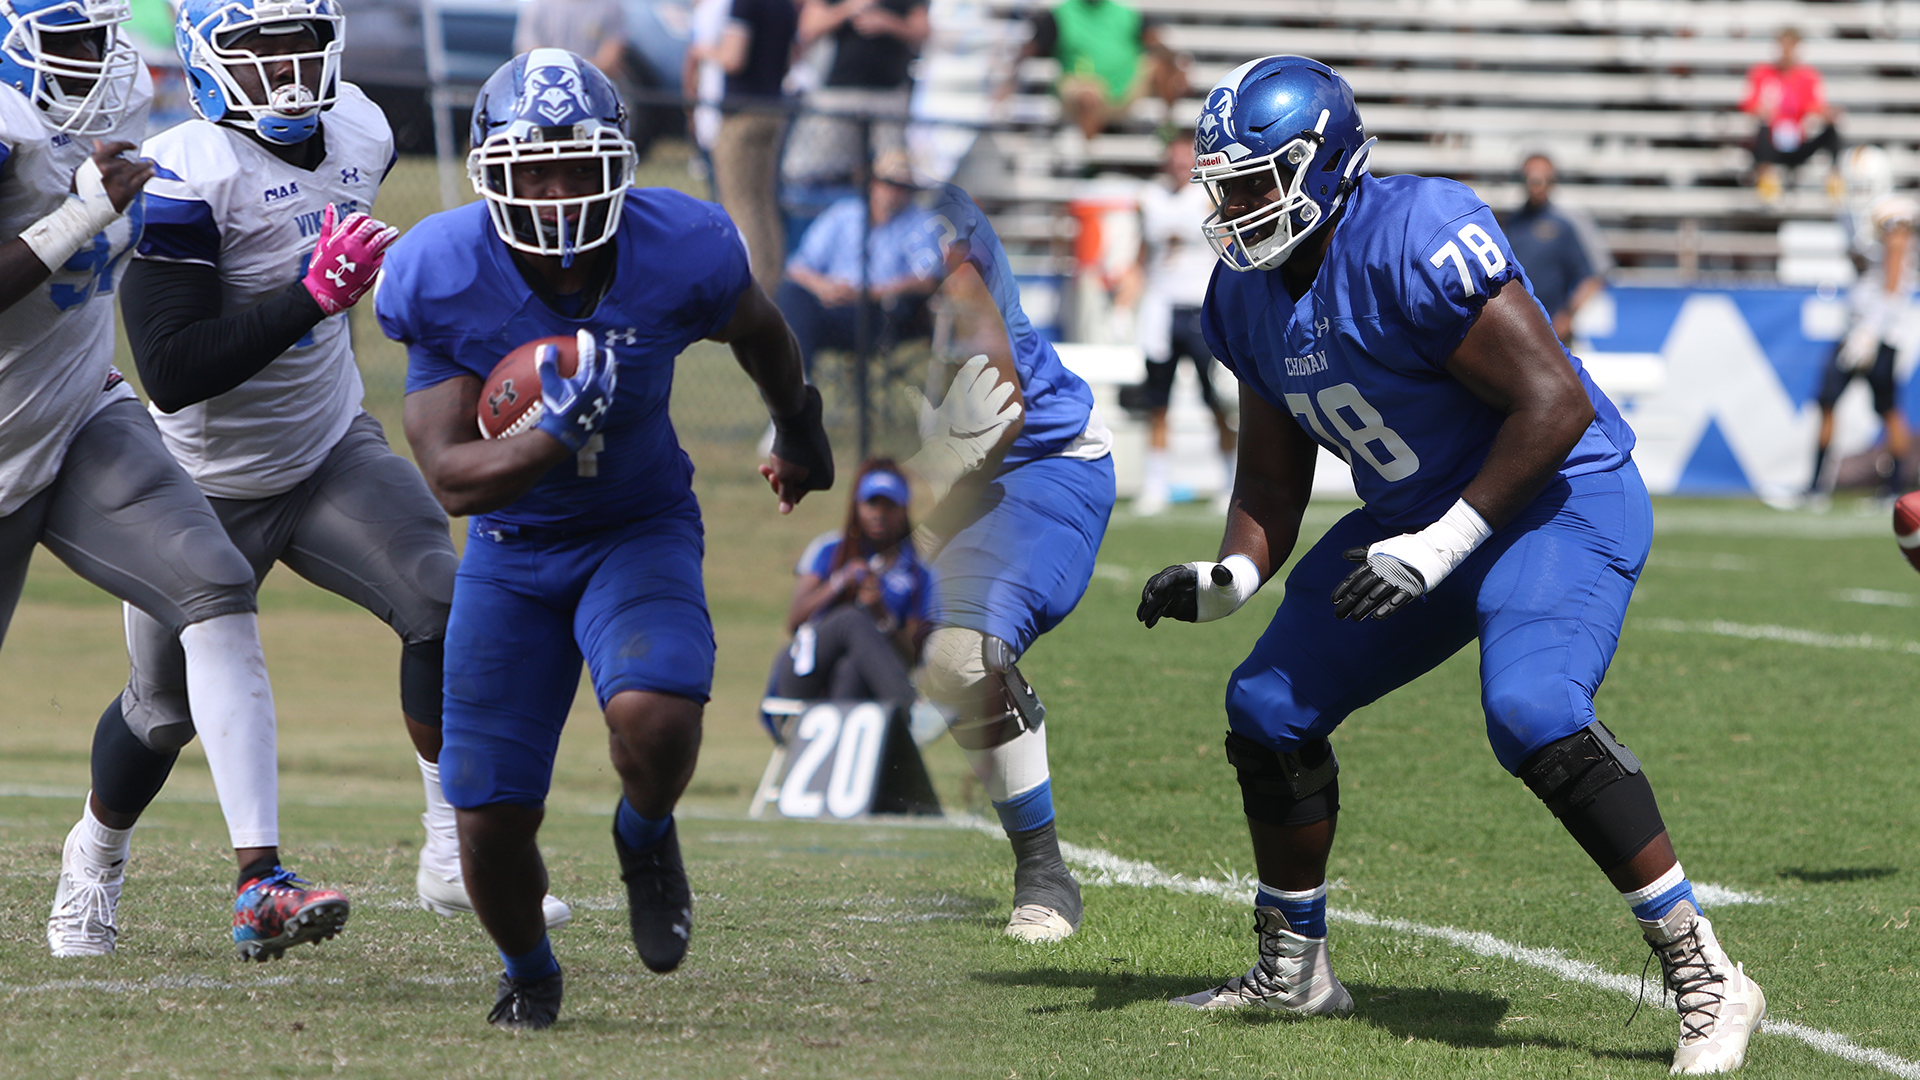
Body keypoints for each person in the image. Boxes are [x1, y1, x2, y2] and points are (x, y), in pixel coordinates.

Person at [1135, 57, 1763, 1074]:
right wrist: (1228, 581)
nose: (1239, 207)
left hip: (1560, 497)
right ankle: (1295, 968)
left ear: (1325, 163)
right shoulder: (1241, 298)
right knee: (1265, 705)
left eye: (1259, 182)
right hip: (1420, 519)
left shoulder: (1415, 234)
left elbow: (1552, 404)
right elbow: (1272, 477)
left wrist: (1439, 545)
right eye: (1228, 186)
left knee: (1532, 710)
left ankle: (1707, 973)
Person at [46, 0, 571, 964]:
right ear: (208, 61)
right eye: (259, 48)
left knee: (442, 604)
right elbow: (172, 365)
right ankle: (97, 855)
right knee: (161, 716)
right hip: (198, 479)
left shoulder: (363, 127)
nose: (286, 69)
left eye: (299, 44)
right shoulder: (188, 167)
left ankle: (456, 849)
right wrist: (311, 296)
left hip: (327, 447)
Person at [377, 49, 832, 1029]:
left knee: (660, 719)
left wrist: (800, 424)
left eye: (576, 167)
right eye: (531, 170)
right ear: (487, 173)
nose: (554, 193)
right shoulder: (442, 269)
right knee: (489, 820)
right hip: (511, 548)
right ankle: (532, 972)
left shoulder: (683, 244)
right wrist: (556, 433)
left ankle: (645, 831)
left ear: (618, 165)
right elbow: (452, 479)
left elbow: (758, 327)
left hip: (637, 528)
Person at [0, 0, 347, 961]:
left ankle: (258, 881)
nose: (90, 60)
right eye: (65, 41)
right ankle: (92, 866)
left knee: (217, 586)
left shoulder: (120, 114)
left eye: (97, 39)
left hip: (78, 418)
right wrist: (80, 213)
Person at [906, 184, 1115, 943]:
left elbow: (996, 408)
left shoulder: (940, 236)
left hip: (1031, 469)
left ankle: (1043, 870)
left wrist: (918, 510)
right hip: (933, 471)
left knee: (961, 657)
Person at [1118, 132, 1235, 516]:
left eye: (1186, 159)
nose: (1180, 166)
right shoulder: (1149, 199)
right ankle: (1157, 483)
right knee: (1157, 403)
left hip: (1201, 307)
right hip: (1160, 308)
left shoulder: (1209, 196)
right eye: (1175, 159)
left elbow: (1230, 248)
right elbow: (1140, 255)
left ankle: (1230, 479)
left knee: (1215, 399)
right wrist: (1123, 303)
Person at [770, 460, 932, 713]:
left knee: (853, 667)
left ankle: (843, 744)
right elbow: (794, 621)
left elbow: (913, 657)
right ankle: (910, 706)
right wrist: (839, 581)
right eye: (871, 504)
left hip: (858, 686)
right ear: (857, 507)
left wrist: (880, 612)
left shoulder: (918, 574)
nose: (879, 513)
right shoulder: (828, 550)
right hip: (804, 668)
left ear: (903, 511)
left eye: (888, 505)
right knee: (851, 619)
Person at [1809, 143, 1914, 502]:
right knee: (1827, 398)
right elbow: (1861, 270)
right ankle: (1815, 487)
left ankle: (1894, 487)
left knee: (1885, 406)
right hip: (1856, 324)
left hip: (1884, 328)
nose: (1858, 193)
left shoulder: (1893, 214)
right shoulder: (1854, 215)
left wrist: (1871, 332)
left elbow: (1893, 281)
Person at [777, 150, 941, 374]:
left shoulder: (919, 222)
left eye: (903, 187)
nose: (895, 192)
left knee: (799, 316)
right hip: (829, 304)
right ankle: (795, 387)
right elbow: (798, 266)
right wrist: (824, 287)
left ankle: (793, 391)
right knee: (791, 296)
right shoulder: (843, 214)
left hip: (879, 313)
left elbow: (928, 279)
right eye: (889, 183)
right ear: (873, 184)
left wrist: (872, 292)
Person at [686, 0, 797, 293]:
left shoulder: (745, 5)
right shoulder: (784, 6)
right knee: (763, 202)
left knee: (741, 204)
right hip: (772, 108)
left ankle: (756, 285)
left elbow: (734, 58)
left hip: (742, 114)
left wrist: (703, 51)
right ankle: (774, 281)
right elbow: (790, 59)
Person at [781, 0, 929, 190]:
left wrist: (887, 23)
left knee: (892, 171)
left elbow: (923, 30)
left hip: (888, 94)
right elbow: (808, 28)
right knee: (818, 170)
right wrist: (848, 8)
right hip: (838, 93)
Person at [1004, 0, 1185, 143]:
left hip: (1124, 88)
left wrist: (1177, 67)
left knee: (1162, 67)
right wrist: (1007, 82)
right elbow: (1033, 48)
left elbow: (1154, 42)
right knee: (1089, 95)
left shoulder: (1126, 13)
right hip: (1081, 88)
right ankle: (1090, 159)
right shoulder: (1061, 14)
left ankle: (1169, 130)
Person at [1500, 154, 1604, 347]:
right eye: (1531, 179)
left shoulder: (1565, 225)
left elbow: (1591, 279)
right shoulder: (1511, 223)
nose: (1536, 185)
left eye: (1542, 179)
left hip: (1552, 332)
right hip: (1517, 329)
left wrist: (1567, 317)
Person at [1741, 27, 1842, 204]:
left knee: (1832, 130)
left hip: (1797, 141)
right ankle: (1767, 180)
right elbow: (1748, 104)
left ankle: (1835, 178)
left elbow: (1814, 106)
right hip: (1772, 143)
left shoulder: (1807, 76)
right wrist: (1762, 110)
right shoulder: (1762, 73)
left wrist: (1827, 114)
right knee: (1762, 127)